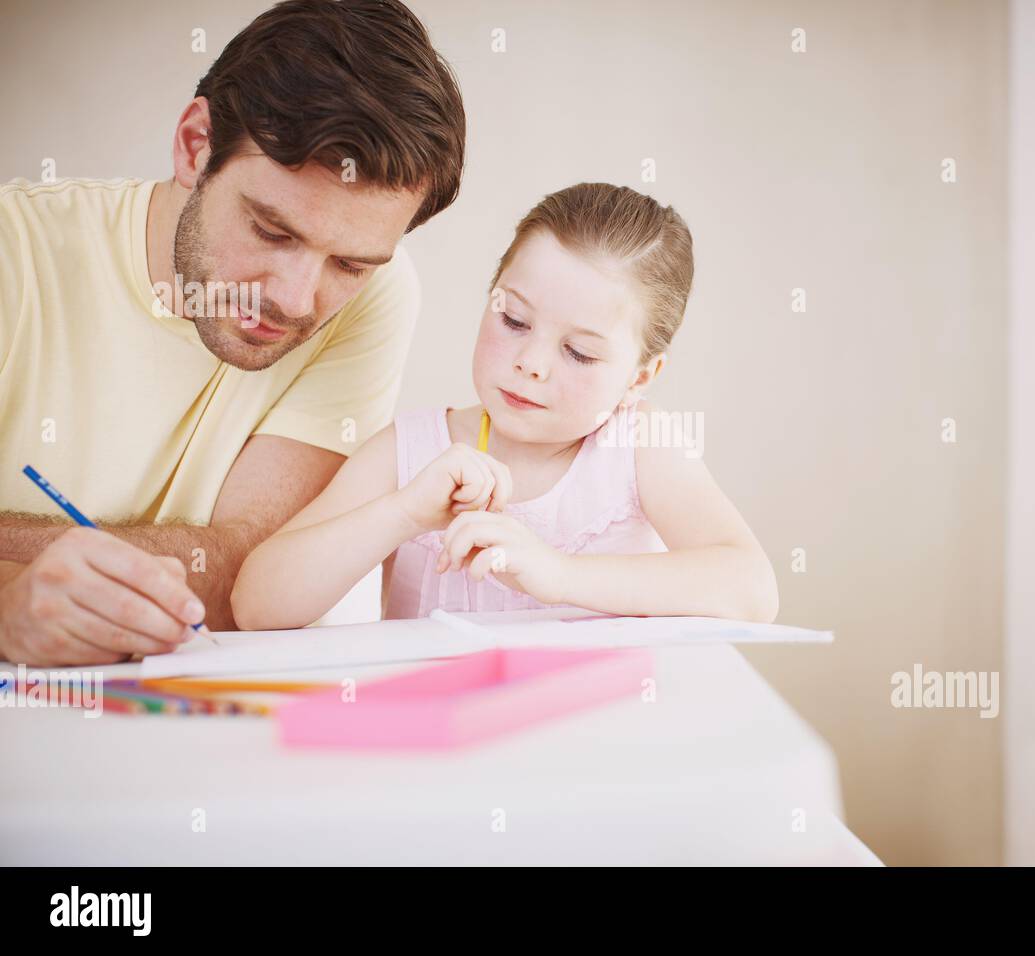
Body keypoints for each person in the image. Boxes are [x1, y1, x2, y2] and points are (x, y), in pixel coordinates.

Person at [0, 0, 466, 665]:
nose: (295, 299)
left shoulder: (377, 296)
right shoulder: (15, 254)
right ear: (196, 147)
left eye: (349, 263)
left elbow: (250, 578)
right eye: (272, 231)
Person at [231, 184, 779, 626]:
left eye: (580, 352)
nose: (532, 363)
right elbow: (256, 605)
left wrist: (560, 575)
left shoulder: (638, 447)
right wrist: (403, 514)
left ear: (640, 377)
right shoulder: (411, 450)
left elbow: (752, 589)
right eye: (513, 320)